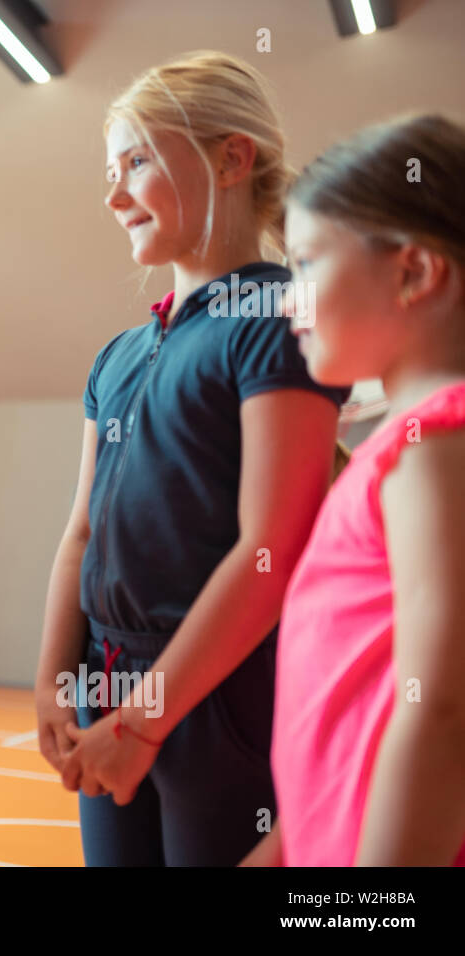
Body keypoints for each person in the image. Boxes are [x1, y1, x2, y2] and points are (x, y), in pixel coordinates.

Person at [35, 51, 350, 865]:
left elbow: (270, 551)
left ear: (230, 158)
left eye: (136, 161)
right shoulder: (118, 354)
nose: (112, 195)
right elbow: (80, 533)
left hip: (222, 690)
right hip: (106, 680)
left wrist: (148, 717)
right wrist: (53, 680)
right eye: (111, 171)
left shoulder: (278, 319)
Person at [243, 114, 465, 866]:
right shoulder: (406, 443)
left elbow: (441, 706)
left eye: (305, 264)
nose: (284, 299)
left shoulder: (435, 442)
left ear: (413, 272)